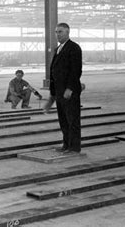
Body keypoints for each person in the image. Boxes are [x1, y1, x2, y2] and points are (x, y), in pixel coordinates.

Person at [48, 22, 83, 154]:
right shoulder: (58, 49)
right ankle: (66, 145)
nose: (57, 34)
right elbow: (54, 71)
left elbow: (76, 71)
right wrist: (53, 92)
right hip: (59, 91)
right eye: (56, 32)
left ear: (68, 32)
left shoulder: (74, 48)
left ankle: (74, 147)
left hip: (69, 92)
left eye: (60, 32)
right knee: (63, 120)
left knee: (72, 119)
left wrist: (70, 88)